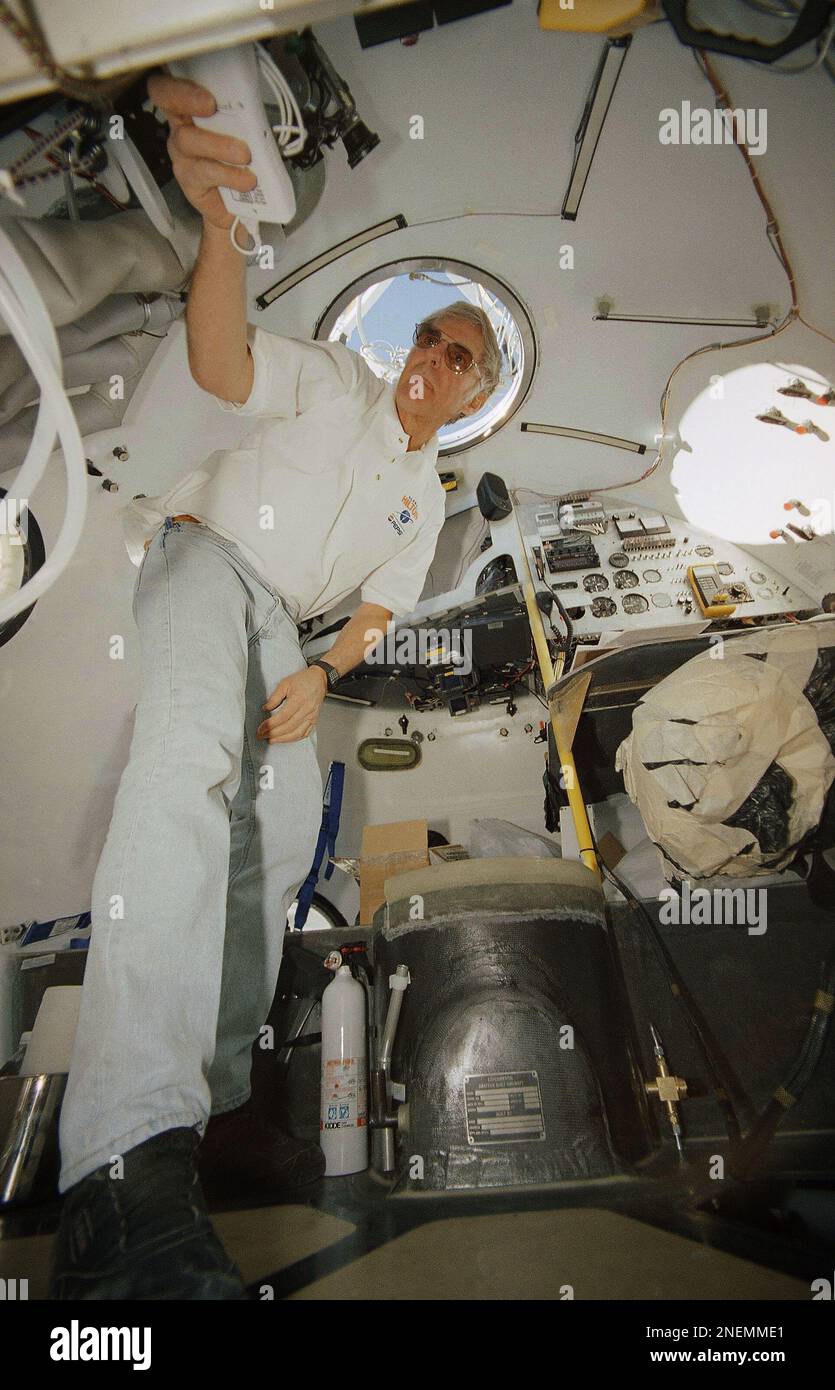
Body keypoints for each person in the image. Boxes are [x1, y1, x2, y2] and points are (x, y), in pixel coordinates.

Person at [49, 70, 501, 1300]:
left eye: (460, 355)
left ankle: (203, 1110)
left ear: (469, 389)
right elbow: (221, 357)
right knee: (191, 768)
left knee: (282, 829)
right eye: (428, 337)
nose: (435, 359)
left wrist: (322, 669)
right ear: (403, 349)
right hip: (208, 565)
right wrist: (219, 232)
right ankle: (117, 1163)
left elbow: (374, 609)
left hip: (289, 632)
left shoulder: (428, 499)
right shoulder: (338, 385)